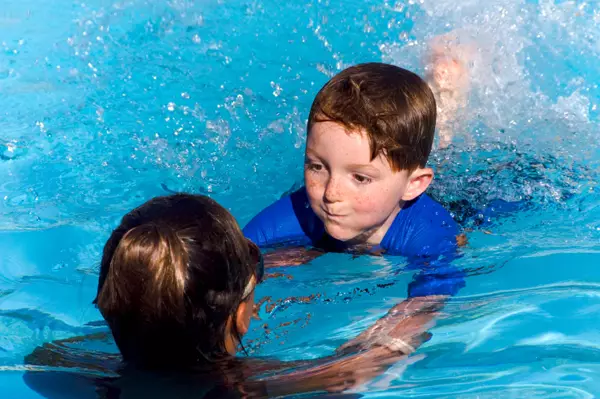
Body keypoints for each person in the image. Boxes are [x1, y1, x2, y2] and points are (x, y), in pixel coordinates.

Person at [24, 193, 442, 398]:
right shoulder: (254, 387)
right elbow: (358, 368)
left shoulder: (77, 378)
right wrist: (428, 300)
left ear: (107, 304)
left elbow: (39, 361)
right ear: (242, 314)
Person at [243, 62, 465, 298]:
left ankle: (446, 93)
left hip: (464, 201)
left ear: (413, 185)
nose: (331, 193)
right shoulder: (297, 214)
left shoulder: (428, 232)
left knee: (446, 158)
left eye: (360, 177)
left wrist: (391, 334)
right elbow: (230, 267)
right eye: (318, 166)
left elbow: (434, 292)